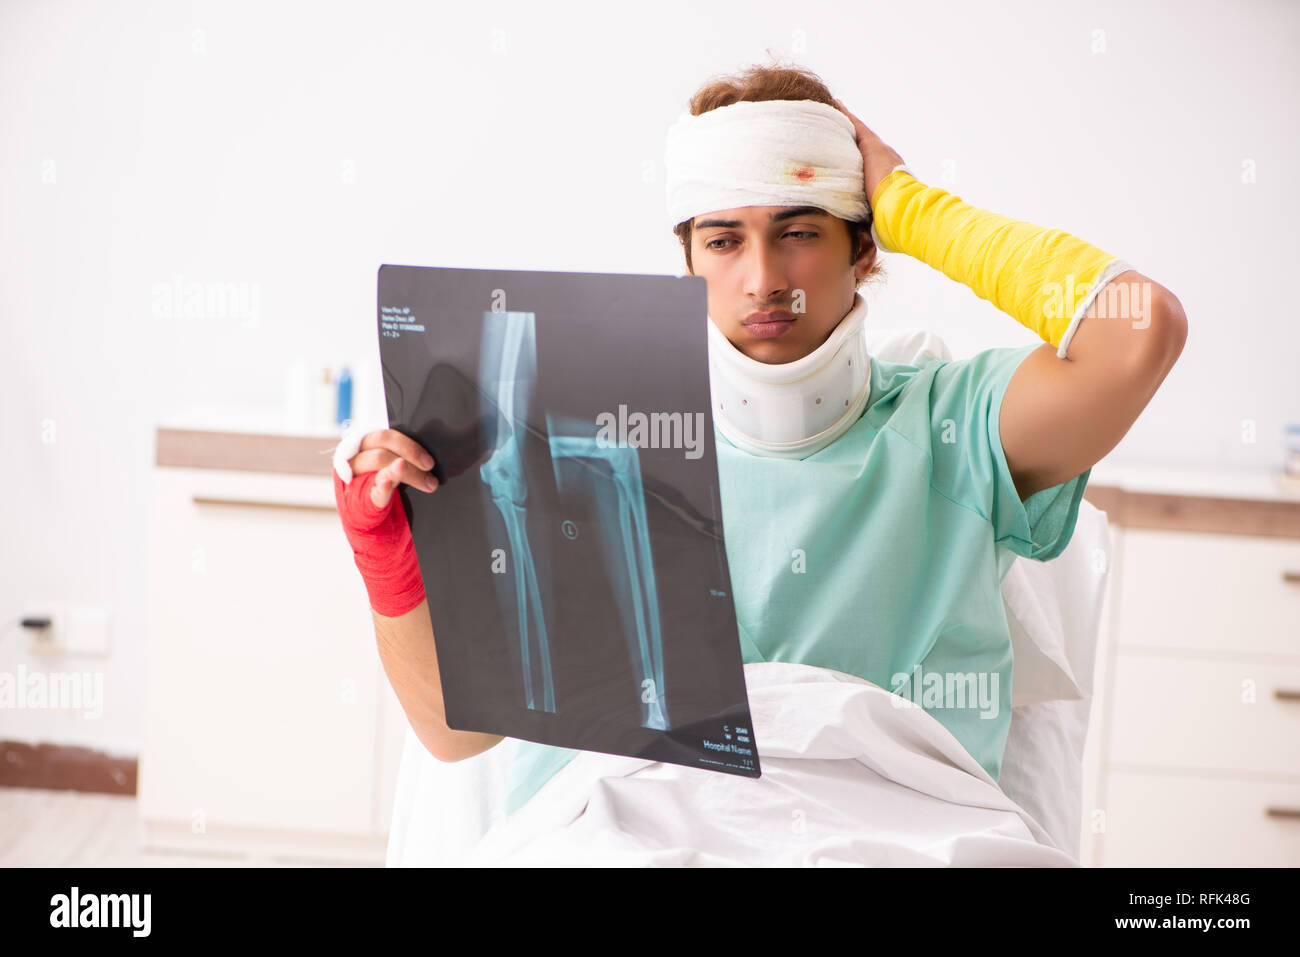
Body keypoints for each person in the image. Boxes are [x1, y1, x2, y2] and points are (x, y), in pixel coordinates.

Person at [333, 64, 1186, 824]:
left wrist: (916, 208)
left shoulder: (957, 425)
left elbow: (1139, 331)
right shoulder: (596, 441)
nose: (764, 278)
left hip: (886, 837)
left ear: (863, 245)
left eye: (801, 230)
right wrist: (387, 555)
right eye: (723, 238)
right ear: (689, 261)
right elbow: (455, 734)